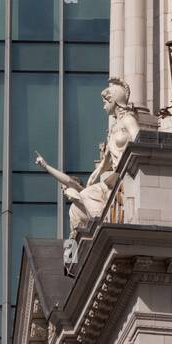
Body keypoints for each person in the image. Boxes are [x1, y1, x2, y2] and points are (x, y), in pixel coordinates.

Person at [34, 78, 139, 236]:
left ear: (115, 101)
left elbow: (139, 142)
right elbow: (107, 161)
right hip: (114, 178)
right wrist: (95, 175)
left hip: (126, 176)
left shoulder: (128, 120)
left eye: (105, 101)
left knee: (86, 194)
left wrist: (46, 166)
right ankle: (102, 227)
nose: (103, 105)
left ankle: (103, 227)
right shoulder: (113, 129)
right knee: (88, 193)